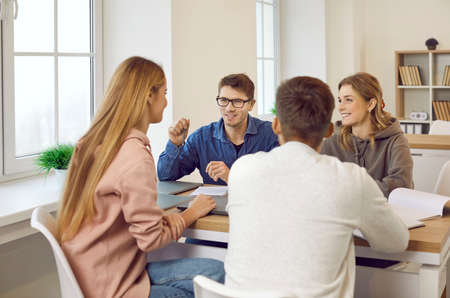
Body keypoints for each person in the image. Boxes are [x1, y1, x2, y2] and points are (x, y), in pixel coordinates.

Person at [224, 76, 409, 296]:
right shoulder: (352, 180)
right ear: (330, 130)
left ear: (275, 125)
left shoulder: (240, 170)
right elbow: (397, 242)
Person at [56, 56, 224, 298]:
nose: (166, 102)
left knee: (214, 271)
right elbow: (152, 239)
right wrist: (191, 213)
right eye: (164, 93)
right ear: (148, 95)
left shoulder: (89, 143)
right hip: (113, 286)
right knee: (211, 283)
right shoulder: (135, 156)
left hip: (96, 273)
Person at [157, 73, 279, 185]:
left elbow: (282, 183)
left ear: (251, 104)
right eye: (224, 100)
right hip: (214, 208)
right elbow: (165, 176)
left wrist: (231, 177)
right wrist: (174, 144)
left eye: (237, 101)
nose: (229, 108)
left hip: (256, 208)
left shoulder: (271, 135)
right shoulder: (201, 138)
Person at [321, 72, 413, 197]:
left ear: (370, 104)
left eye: (348, 100)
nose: (340, 107)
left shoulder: (396, 141)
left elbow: (400, 186)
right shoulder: (330, 144)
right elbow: (321, 185)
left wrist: (347, 189)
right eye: (340, 100)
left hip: (386, 214)